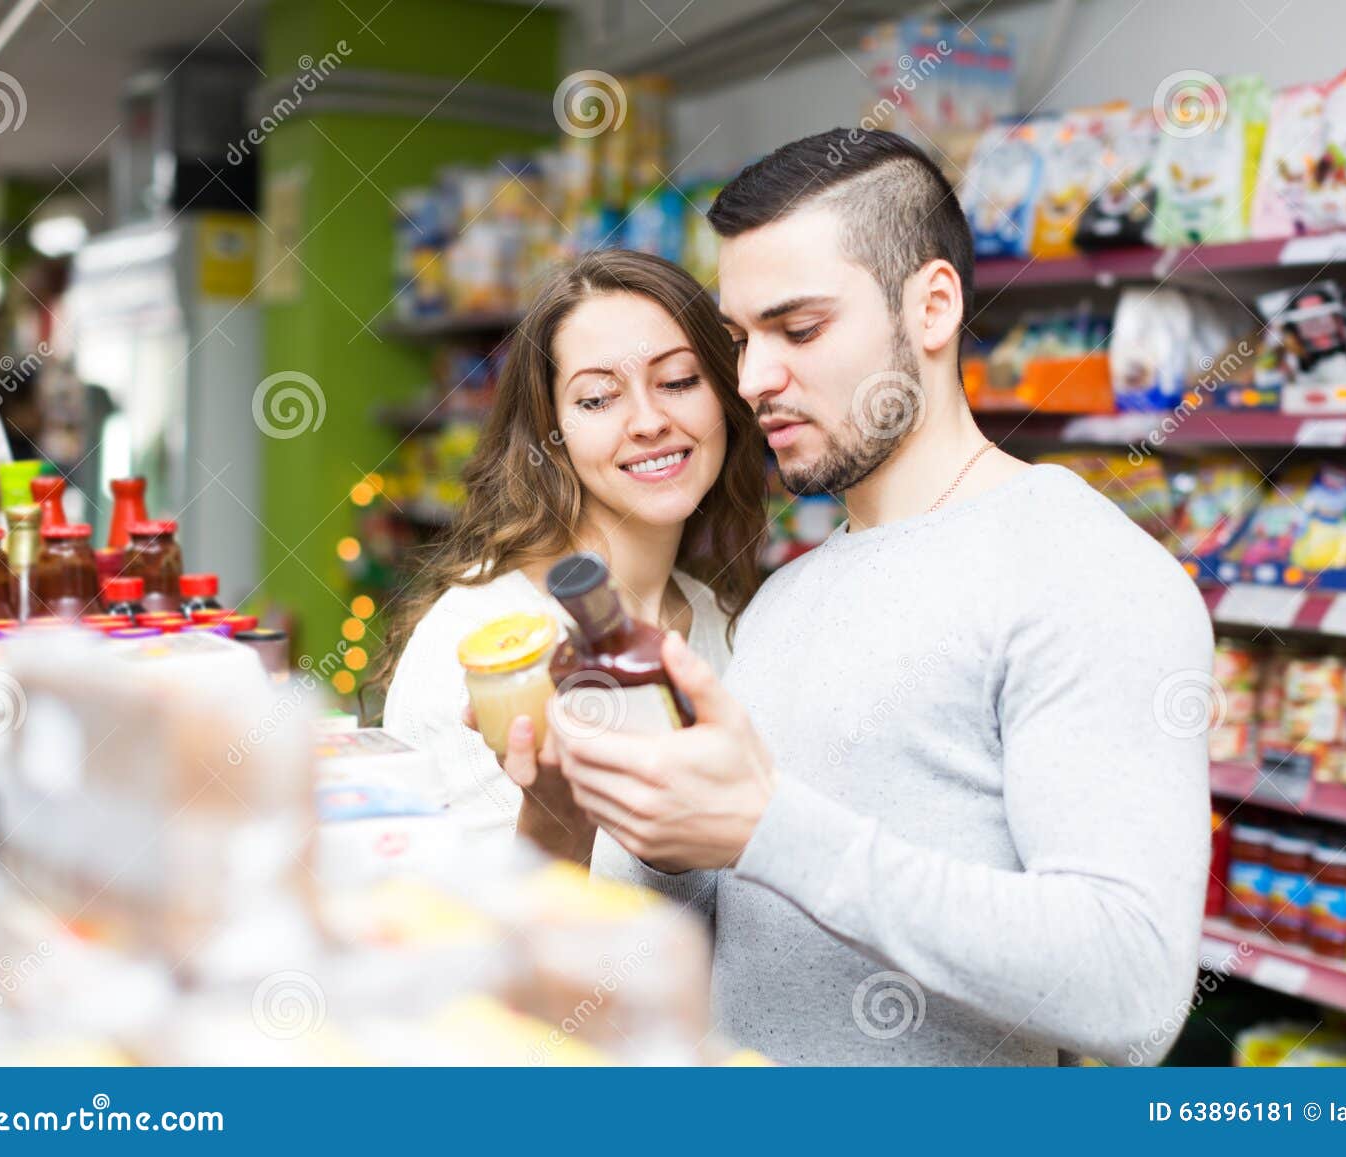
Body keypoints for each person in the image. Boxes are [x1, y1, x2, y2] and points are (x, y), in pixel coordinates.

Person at [514, 130, 1215, 1066]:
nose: (754, 379)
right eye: (740, 339)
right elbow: (703, 951)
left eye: (799, 330)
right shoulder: (786, 598)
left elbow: (1132, 984)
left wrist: (769, 826)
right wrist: (630, 825)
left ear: (932, 306)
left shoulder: (1086, 573)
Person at [376, 249, 767, 850]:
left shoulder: (726, 624)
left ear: (726, 398)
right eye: (597, 399)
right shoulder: (484, 647)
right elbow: (472, 922)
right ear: (550, 437)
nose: (647, 420)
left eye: (679, 381)